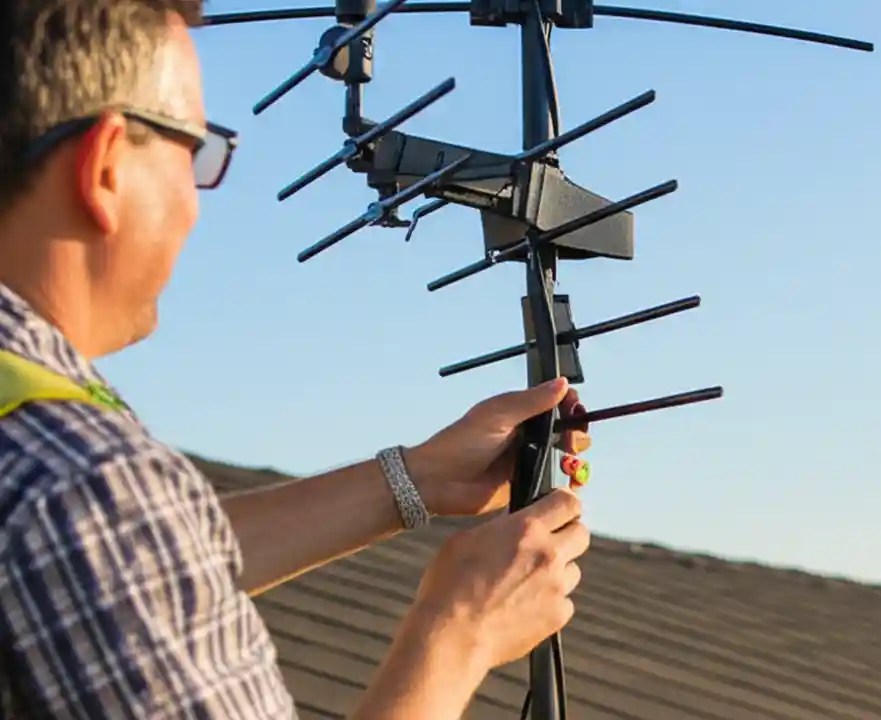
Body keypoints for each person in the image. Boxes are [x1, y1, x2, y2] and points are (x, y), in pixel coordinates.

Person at [0, 2, 593, 718]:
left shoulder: (54, 478)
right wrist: (459, 633)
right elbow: (109, 537)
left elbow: (132, 566)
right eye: (196, 153)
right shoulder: (77, 481)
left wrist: (417, 478)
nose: (196, 199)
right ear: (104, 168)